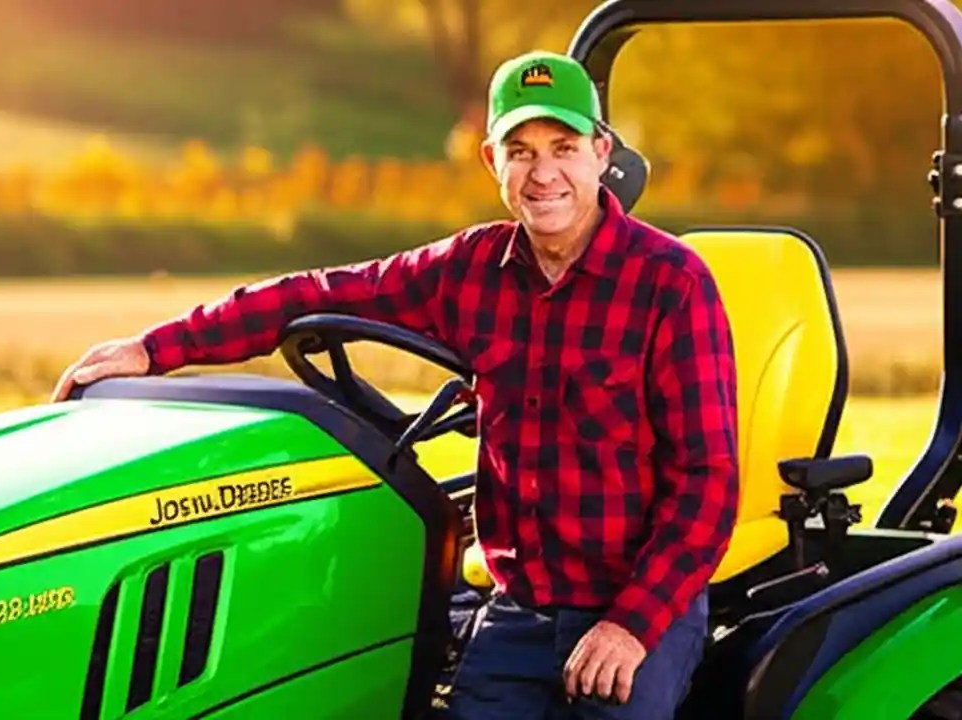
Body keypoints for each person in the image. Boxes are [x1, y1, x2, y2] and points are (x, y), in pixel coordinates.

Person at [51, 49, 739, 720]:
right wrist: (153, 349)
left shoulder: (672, 285)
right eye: (521, 150)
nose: (543, 172)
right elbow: (313, 294)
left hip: (638, 607)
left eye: (562, 146)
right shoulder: (470, 269)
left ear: (600, 151)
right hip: (521, 611)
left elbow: (708, 483)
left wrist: (630, 626)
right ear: (490, 161)